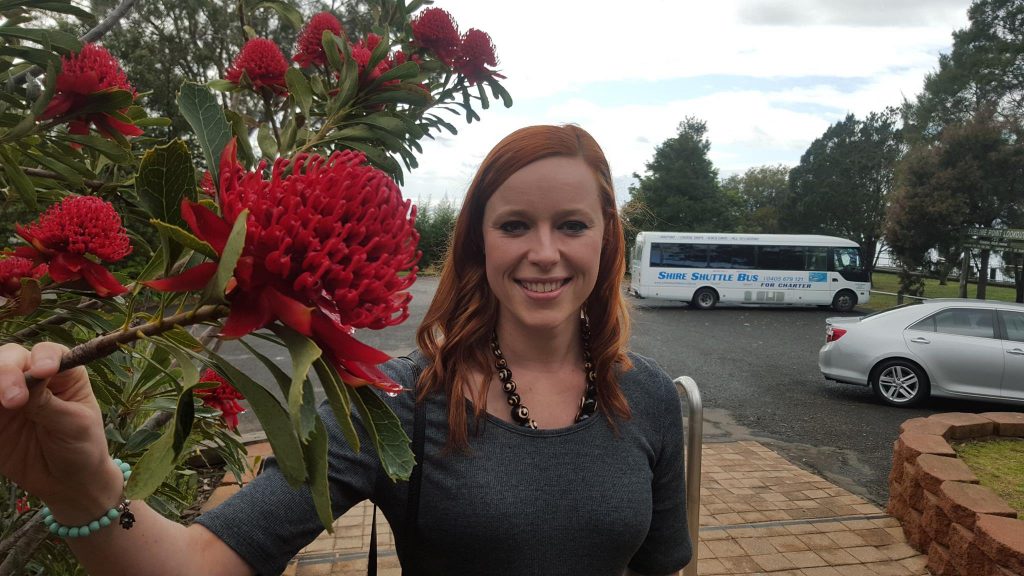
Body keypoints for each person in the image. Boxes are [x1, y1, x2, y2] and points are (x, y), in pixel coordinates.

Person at [0, 124, 691, 575]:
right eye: (515, 225)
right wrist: (84, 483)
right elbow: (202, 562)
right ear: (480, 243)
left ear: (606, 238)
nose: (545, 252)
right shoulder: (396, 400)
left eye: (571, 224)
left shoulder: (653, 399)